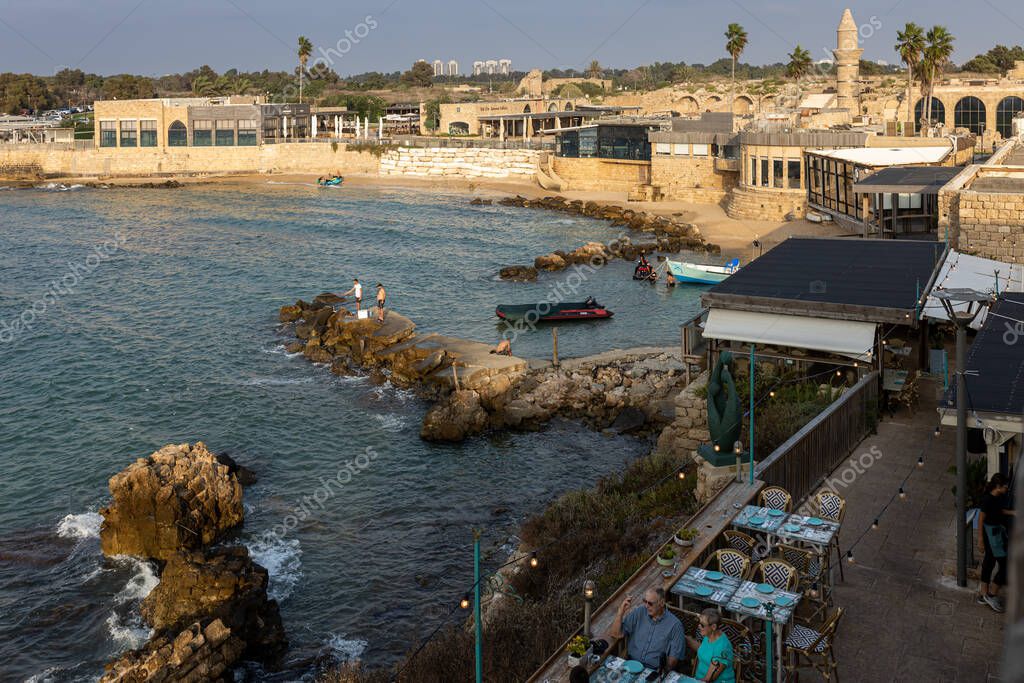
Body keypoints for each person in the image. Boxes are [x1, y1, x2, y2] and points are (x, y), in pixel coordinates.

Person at [609, 587, 685, 671]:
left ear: (662, 603)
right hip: (630, 664)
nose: (646, 606)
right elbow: (615, 634)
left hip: (653, 670)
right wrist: (620, 612)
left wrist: (661, 672)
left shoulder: (675, 626)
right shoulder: (639, 612)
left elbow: (672, 662)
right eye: (645, 601)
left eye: (650, 603)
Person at [978, 472, 1015, 612]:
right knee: (1003, 565)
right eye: (1005, 486)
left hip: (998, 533)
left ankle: (983, 595)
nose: (1007, 488)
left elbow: (1000, 511)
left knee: (990, 561)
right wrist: (980, 540)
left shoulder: (999, 497)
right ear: (998, 486)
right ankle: (990, 594)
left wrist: (1014, 513)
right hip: (991, 535)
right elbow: (981, 519)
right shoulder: (987, 500)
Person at [685, 608, 735, 683]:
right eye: (699, 622)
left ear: (713, 627)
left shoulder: (721, 648)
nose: (699, 626)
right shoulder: (709, 635)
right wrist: (685, 638)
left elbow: (708, 679)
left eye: (702, 625)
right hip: (698, 678)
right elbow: (704, 650)